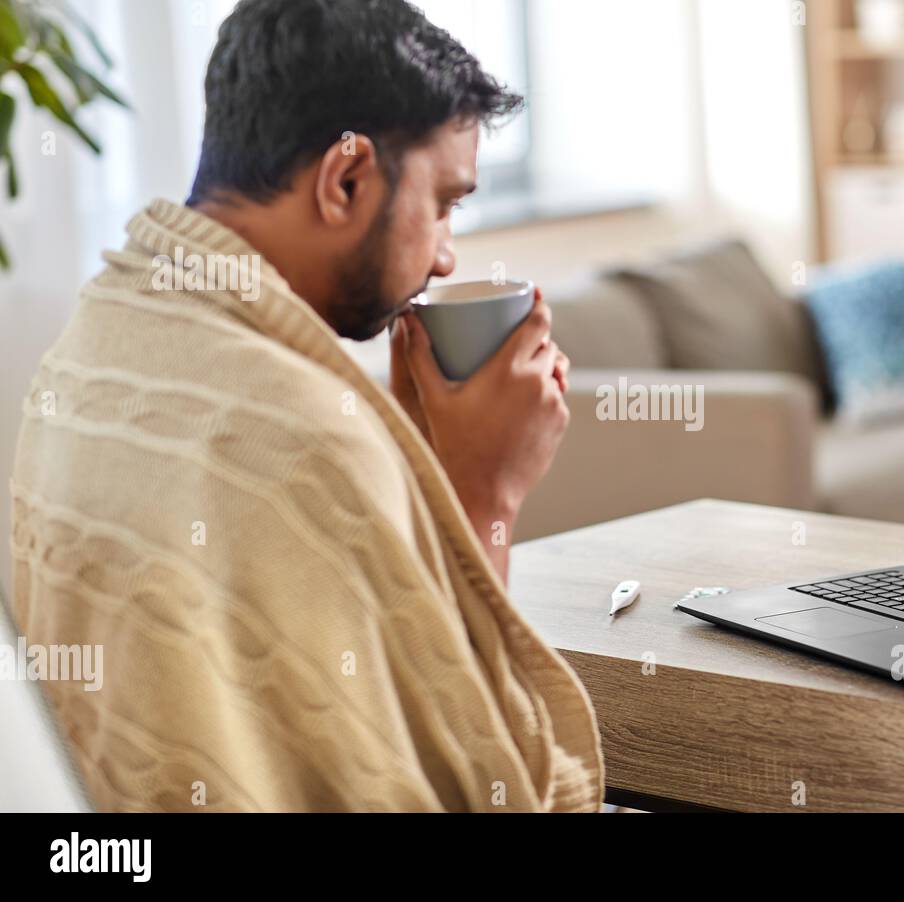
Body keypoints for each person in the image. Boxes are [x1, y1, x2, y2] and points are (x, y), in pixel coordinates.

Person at [7, 0, 602, 811]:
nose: (446, 255)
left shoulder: (91, 345)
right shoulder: (309, 442)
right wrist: (481, 495)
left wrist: (410, 467)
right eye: (444, 203)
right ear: (346, 179)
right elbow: (488, 791)